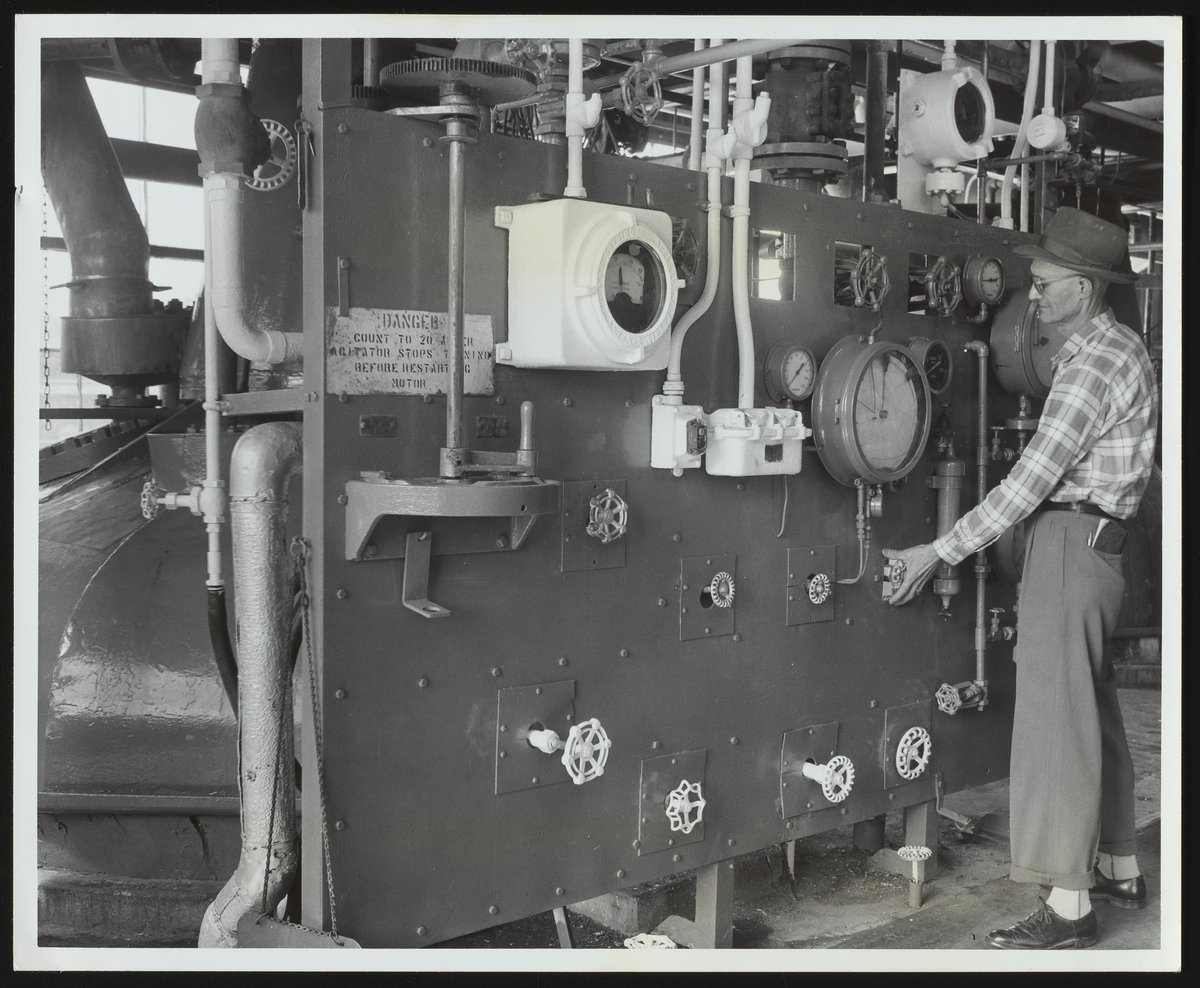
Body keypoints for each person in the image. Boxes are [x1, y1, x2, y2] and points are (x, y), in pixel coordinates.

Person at [881, 207, 1158, 950]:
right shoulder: (1123, 347)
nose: (1033, 296)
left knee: (1053, 726)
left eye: (1044, 284)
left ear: (1086, 289)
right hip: (1100, 546)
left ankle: (1068, 908)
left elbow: (1028, 484)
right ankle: (1119, 866)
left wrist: (936, 551)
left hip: (1070, 541)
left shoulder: (1091, 364)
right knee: (1091, 709)